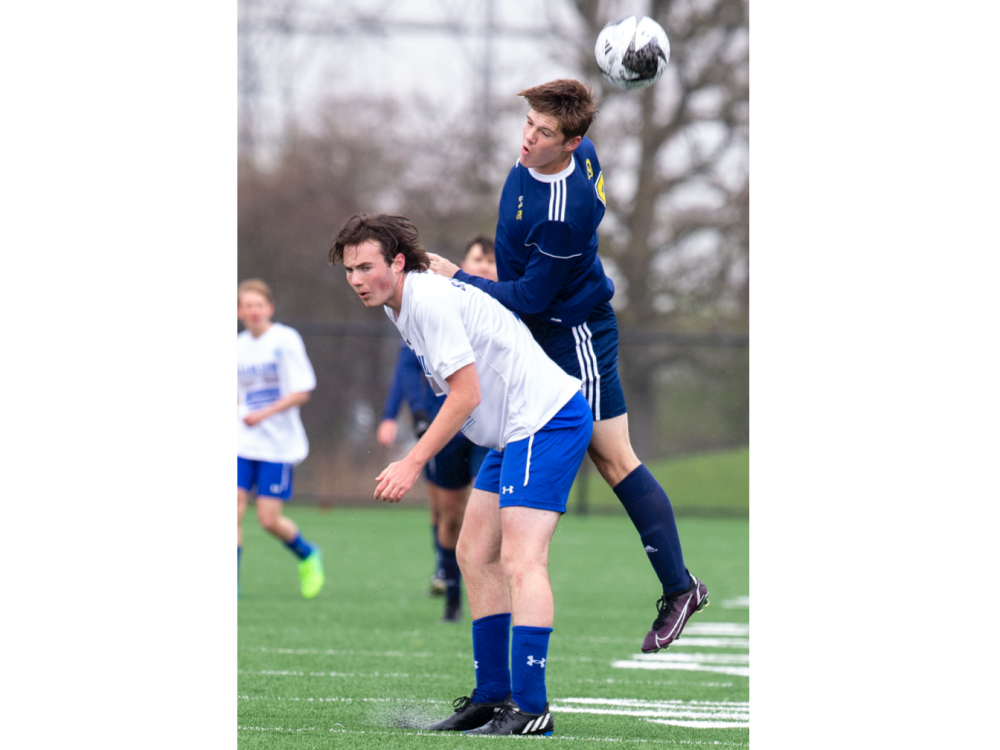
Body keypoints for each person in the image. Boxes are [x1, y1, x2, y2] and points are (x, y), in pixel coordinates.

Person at [427, 79, 708, 654]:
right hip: (535, 334)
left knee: (614, 458)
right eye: (529, 123)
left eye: (545, 132)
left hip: (573, 336)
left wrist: (460, 279)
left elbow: (531, 299)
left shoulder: (564, 212)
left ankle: (680, 588)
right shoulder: (559, 152)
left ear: (572, 143)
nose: (529, 138)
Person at [330, 214, 592, 736]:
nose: (356, 279)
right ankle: (492, 697)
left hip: (544, 422)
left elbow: (465, 394)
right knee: (472, 553)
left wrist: (412, 460)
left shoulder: (425, 300)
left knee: (522, 560)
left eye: (366, 267)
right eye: (349, 270)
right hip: (514, 432)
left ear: (397, 263)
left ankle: (531, 708)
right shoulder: (403, 303)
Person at [376, 236, 498, 621]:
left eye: (492, 261)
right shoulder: (432, 301)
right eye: (478, 259)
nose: (485, 266)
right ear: (461, 264)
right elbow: (408, 366)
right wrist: (411, 413)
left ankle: (487, 592)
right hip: (447, 427)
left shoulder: (501, 307)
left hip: (491, 428)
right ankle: (450, 586)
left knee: (486, 506)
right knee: (449, 513)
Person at [237, 279, 324, 599]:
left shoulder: (285, 340)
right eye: (247, 306)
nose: (253, 311)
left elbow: (302, 391)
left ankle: (308, 554)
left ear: (270, 308)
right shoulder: (236, 347)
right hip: (242, 443)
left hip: (278, 445)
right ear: (238, 311)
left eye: (258, 305)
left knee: (267, 519)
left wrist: (263, 414)